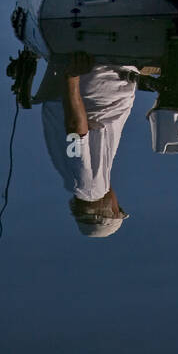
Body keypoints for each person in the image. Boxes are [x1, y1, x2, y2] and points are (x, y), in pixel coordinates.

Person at [40, 52, 135, 238]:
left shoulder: (89, 188)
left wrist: (72, 76)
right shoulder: (72, 180)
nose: (118, 202)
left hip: (98, 73)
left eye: (119, 207)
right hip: (88, 78)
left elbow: (75, 132)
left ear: (111, 212)